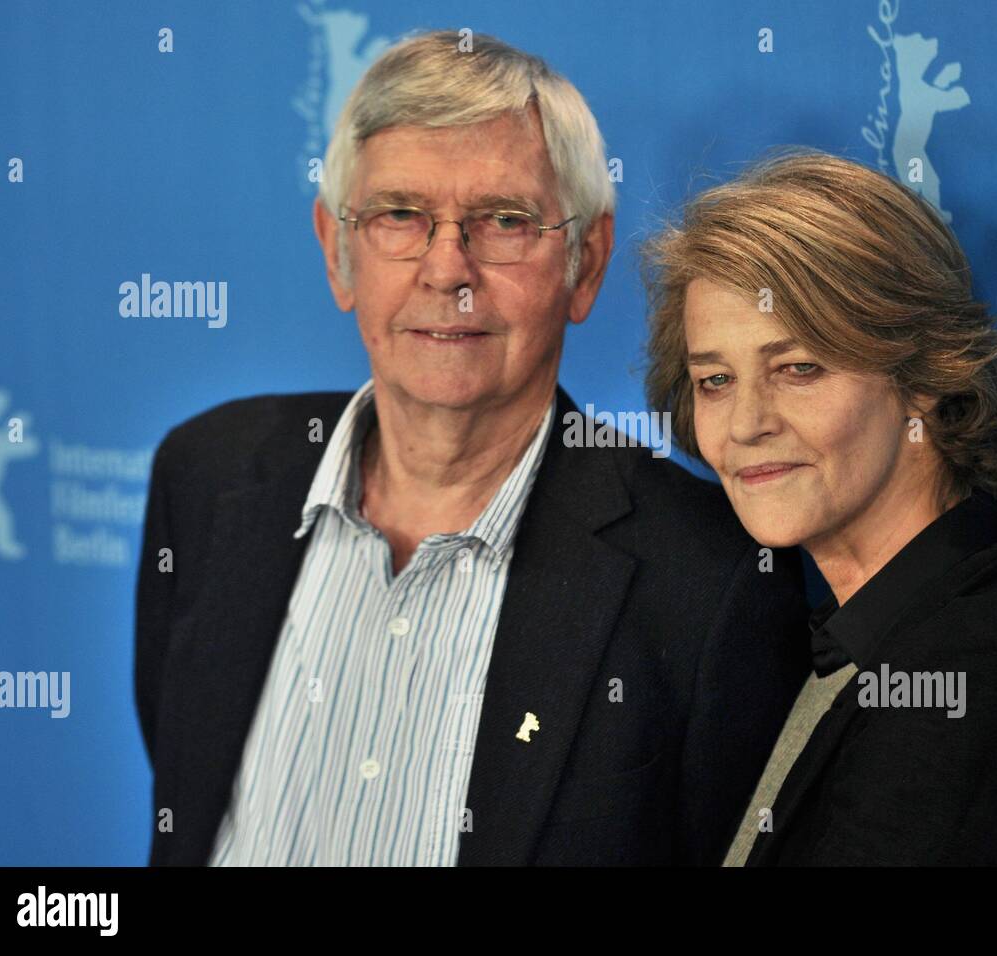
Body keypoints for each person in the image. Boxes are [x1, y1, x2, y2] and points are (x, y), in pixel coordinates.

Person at [133, 30, 810, 867]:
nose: (446, 269)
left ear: (586, 264)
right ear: (337, 252)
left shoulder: (709, 577)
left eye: (503, 221)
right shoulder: (207, 477)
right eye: (400, 216)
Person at [641, 149, 997, 865]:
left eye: (798, 370)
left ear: (923, 377)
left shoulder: (976, 688)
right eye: (716, 380)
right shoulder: (868, 629)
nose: (746, 422)